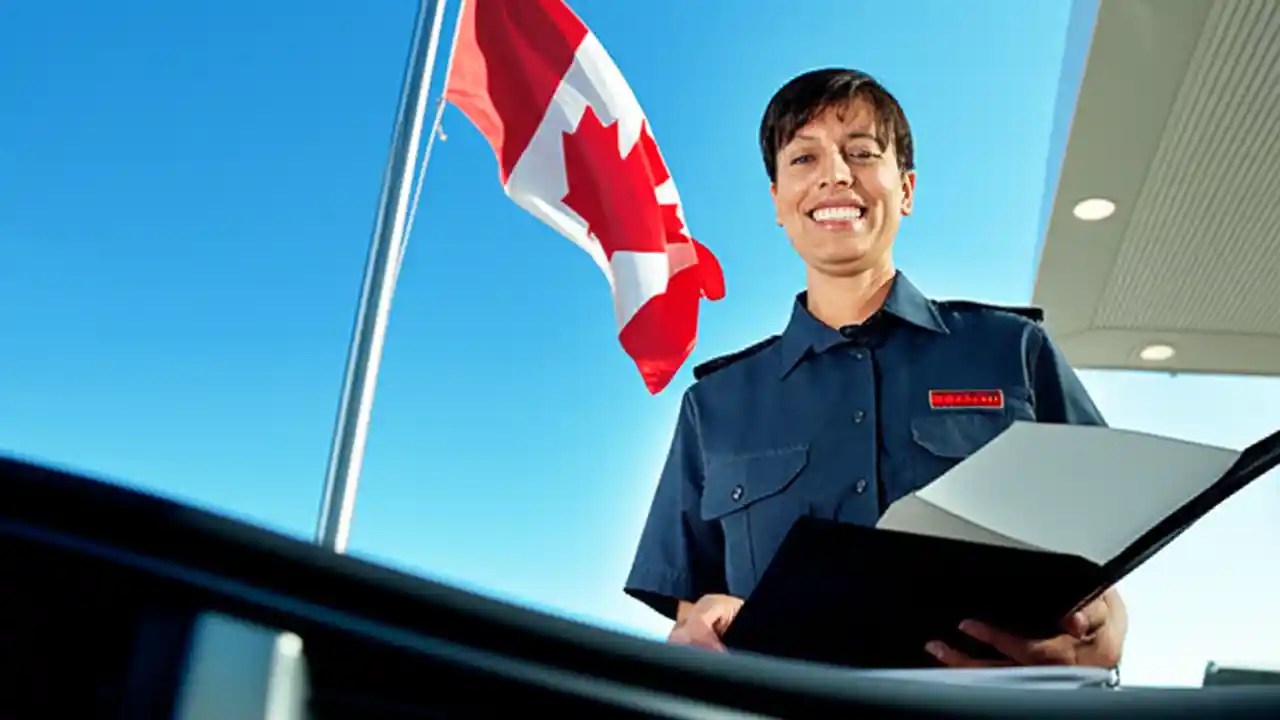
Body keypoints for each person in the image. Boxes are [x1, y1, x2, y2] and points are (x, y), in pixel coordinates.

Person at [622, 67, 1127, 670]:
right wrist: (702, 628)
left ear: (906, 190)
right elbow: (692, 606)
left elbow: (1108, 565)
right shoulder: (714, 405)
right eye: (803, 159)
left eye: (861, 152)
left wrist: (1099, 643)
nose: (835, 174)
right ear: (778, 203)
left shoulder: (1014, 350)